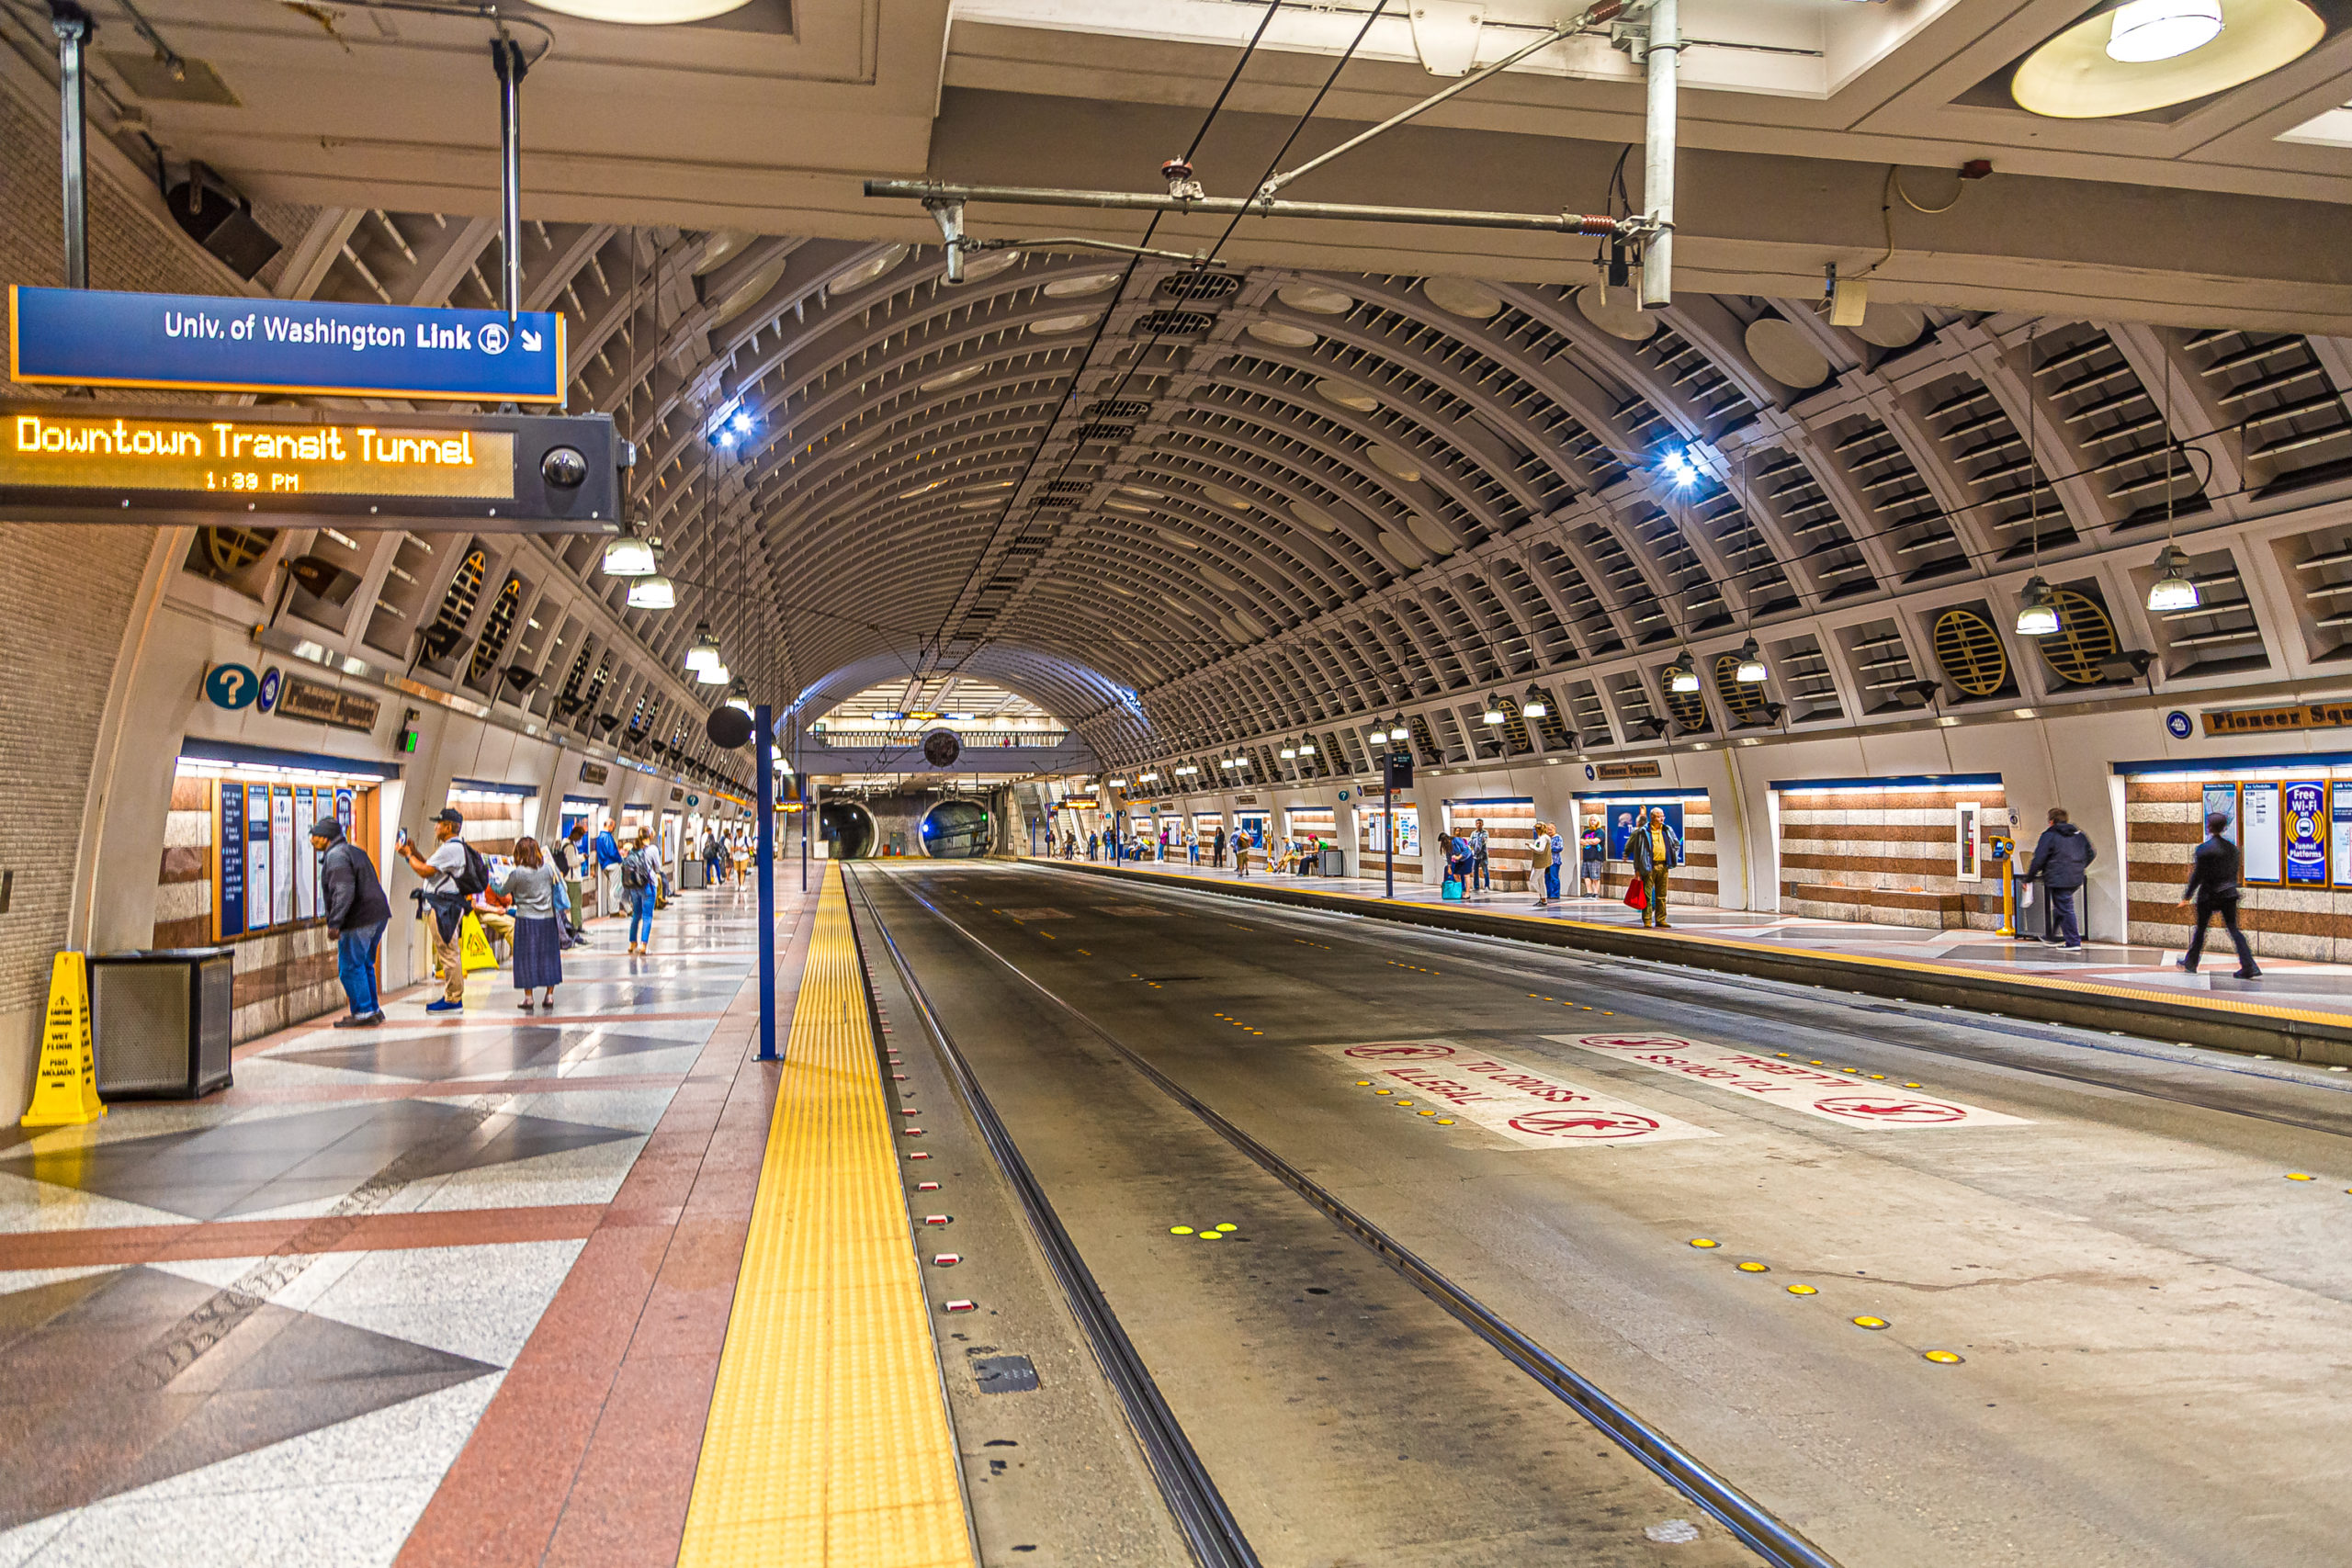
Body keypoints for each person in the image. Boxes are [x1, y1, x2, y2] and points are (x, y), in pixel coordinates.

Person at [396, 807, 480, 1013]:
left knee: (448, 952)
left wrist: (408, 856)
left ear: (449, 826)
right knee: (448, 950)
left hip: (444, 907)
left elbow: (425, 871)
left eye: (439, 824)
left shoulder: (451, 849)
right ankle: (452, 995)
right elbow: (432, 868)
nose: (436, 828)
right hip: (446, 905)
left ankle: (453, 999)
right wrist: (414, 852)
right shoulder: (452, 848)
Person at [312, 817, 389, 1027]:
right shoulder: (353, 851)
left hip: (359, 920)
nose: (312, 840)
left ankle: (363, 1012)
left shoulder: (336, 856)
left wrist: (335, 922)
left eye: (315, 836)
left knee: (349, 968)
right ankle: (372, 1009)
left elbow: (343, 891)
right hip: (377, 915)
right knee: (364, 964)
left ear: (326, 838)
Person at [2177, 811, 2259, 981]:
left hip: (2208, 895)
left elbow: (2198, 875)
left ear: (2209, 827)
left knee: (2200, 929)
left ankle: (2191, 963)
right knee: (2233, 929)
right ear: (2224, 827)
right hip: (2229, 894)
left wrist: (2187, 896)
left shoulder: (2203, 850)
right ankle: (2249, 965)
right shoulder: (2233, 850)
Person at [499, 836, 565, 1010]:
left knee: (526, 957)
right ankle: (549, 995)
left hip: (526, 920)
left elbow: (502, 890)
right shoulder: (548, 870)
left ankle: (528, 998)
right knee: (549, 956)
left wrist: (493, 880)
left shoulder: (517, 873)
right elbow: (558, 884)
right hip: (547, 920)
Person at [2025, 806, 2097, 949]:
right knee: (2061, 905)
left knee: (2065, 907)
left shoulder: (2049, 836)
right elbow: (2091, 853)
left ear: (2051, 821)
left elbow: (2039, 858)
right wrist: (2078, 867)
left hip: (2058, 878)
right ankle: (2052, 936)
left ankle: (2073, 942)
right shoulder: (2079, 835)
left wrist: (2029, 878)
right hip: (2075, 878)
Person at [1627, 807, 1681, 928]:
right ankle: (1647, 919)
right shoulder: (1643, 831)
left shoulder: (1667, 829)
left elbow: (1676, 844)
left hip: (1664, 866)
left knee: (1662, 895)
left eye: (1663, 816)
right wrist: (1637, 869)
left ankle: (1660, 919)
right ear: (1652, 817)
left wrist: (1673, 857)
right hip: (1649, 867)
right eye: (1659, 816)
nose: (1662, 818)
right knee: (1647, 895)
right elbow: (1637, 851)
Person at [624, 829, 660, 953]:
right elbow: (658, 867)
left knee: (636, 915)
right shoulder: (653, 849)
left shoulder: (633, 849)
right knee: (647, 916)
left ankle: (632, 942)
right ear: (650, 836)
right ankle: (644, 945)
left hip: (634, 886)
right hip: (648, 885)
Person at [556, 822, 591, 944]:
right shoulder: (569, 846)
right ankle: (576, 925)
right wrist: (583, 858)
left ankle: (576, 924)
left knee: (574, 904)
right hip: (572, 879)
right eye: (580, 836)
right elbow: (571, 862)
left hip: (569, 878)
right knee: (576, 904)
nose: (580, 839)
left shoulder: (565, 843)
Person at [593, 817, 623, 917]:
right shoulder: (607, 837)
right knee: (615, 888)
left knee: (612, 888)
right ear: (609, 826)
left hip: (604, 865)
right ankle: (614, 911)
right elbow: (612, 852)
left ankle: (613, 909)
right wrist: (620, 859)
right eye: (613, 827)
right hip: (612, 864)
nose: (613, 829)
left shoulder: (599, 838)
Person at [1530, 821, 1555, 908]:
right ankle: (1543, 899)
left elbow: (1541, 850)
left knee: (1532, 880)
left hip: (1541, 863)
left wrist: (1530, 846)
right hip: (1538, 862)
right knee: (1541, 881)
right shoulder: (1540, 838)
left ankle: (1542, 895)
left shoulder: (1544, 838)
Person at [1580, 817, 1604, 898]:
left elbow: (1596, 841)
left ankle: (1596, 893)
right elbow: (1581, 841)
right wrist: (1590, 842)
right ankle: (1589, 892)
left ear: (1598, 821)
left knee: (1595, 876)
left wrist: (1586, 842)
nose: (1592, 822)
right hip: (1586, 857)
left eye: (1594, 820)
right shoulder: (1586, 831)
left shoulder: (1600, 831)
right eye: (1591, 820)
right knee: (1585, 875)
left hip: (1596, 857)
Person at [1471, 819, 1490, 895]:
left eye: (1480, 823)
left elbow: (1483, 841)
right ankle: (1476, 886)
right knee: (1475, 871)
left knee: (1485, 871)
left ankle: (1487, 886)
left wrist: (1477, 841)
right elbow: (1470, 842)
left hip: (1483, 855)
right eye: (1477, 823)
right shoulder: (1473, 833)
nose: (1478, 824)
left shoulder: (1485, 833)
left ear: (1482, 824)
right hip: (1475, 855)